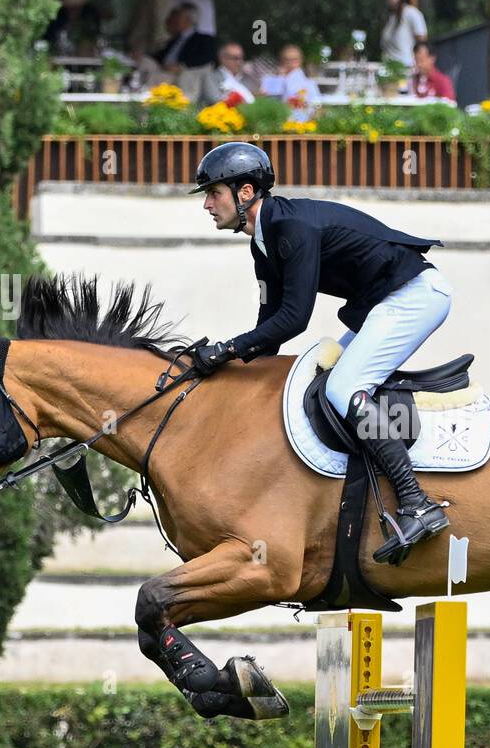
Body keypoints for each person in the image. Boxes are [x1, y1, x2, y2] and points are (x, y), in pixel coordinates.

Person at [187, 143, 454, 563]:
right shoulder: (262, 246)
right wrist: (227, 371)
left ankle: (416, 501)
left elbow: (295, 319)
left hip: (415, 296)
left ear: (245, 192)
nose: (206, 204)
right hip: (386, 302)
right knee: (328, 383)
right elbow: (268, 334)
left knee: (344, 387)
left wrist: (227, 350)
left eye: (213, 193)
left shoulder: (291, 230)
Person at [380, 0, 428, 68]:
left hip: (406, 69)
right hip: (388, 69)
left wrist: (420, 67)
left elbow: (422, 44)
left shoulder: (411, 13)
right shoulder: (390, 17)